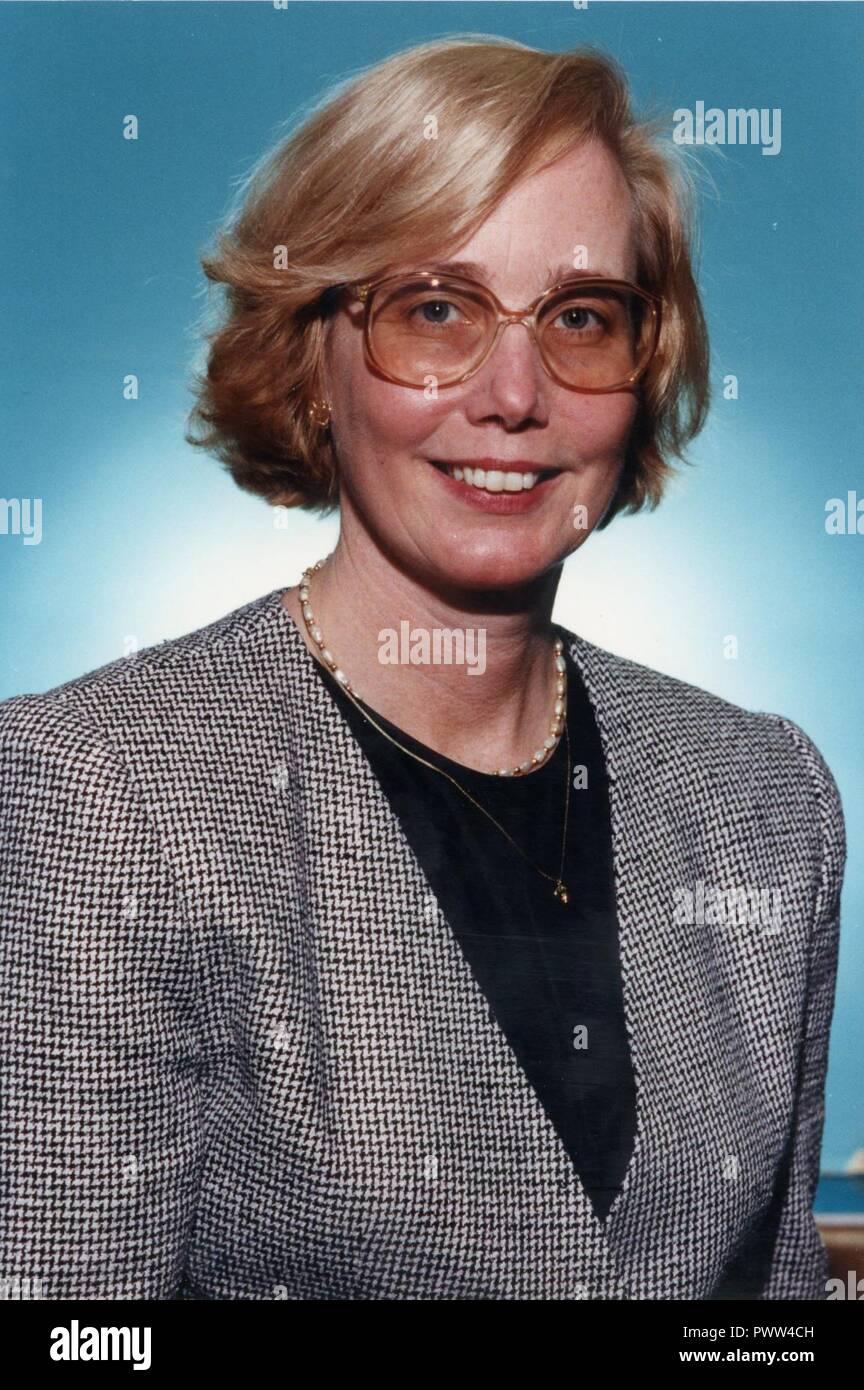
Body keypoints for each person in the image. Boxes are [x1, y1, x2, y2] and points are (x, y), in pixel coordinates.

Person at [0, 36, 845, 1301]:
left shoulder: (769, 798)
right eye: (435, 308)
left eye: (580, 317)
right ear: (311, 355)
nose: (516, 393)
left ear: (641, 363)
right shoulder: (100, 794)